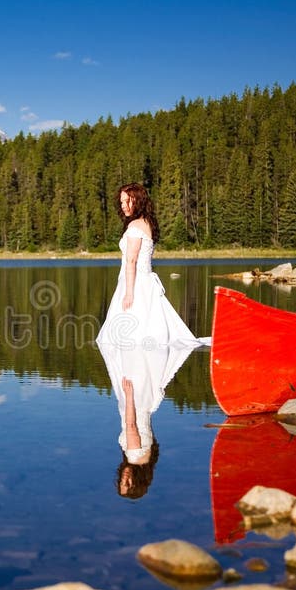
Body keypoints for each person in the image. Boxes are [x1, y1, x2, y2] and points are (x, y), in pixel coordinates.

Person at [96, 183, 209, 349]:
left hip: (135, 283)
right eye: (121, 202)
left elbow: (131, 261)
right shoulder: (146, 222)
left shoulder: (135, 226)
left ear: (139, 201)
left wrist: (128, 293)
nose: (124, 206)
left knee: (128, 335)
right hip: (145, 281)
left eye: (128, 201)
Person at [99, 338, 194, 499]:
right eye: (128, 483)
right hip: (135, 401)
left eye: (121, 482)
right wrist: (129, 396)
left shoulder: (148, 459)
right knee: (133, 350)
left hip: (144, 403)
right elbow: (131, 426)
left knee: (144, 353)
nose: (124, 478)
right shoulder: (134, 456)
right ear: (137, 482)